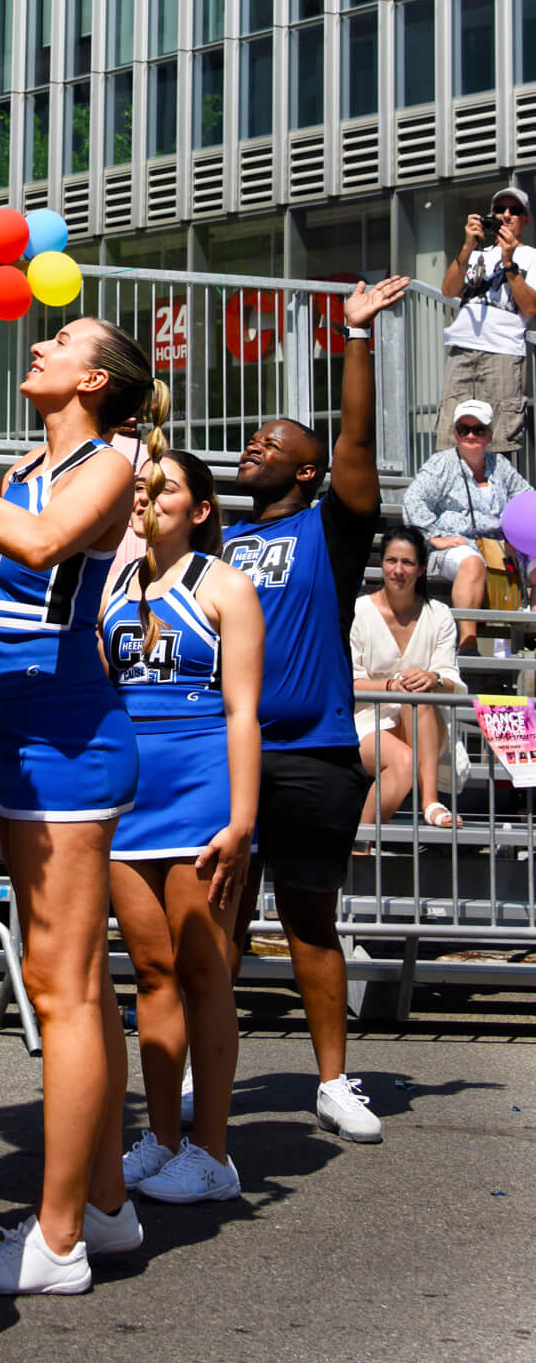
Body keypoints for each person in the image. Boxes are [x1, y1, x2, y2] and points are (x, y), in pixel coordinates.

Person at [0, 320, 159, 1298]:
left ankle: (56, 1238)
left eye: (59, 342)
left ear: (93, 379)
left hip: (72, 740)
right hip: (30, 734)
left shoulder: (112, 459)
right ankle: (103, 1206)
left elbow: (41, 540)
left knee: (59, 987)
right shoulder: (28, 458)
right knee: (78, 987)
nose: (38, 347)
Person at [221, 274, 409, 1149]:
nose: (252, 448)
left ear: (308, 469)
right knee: (216, 921)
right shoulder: (218, 545)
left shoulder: (331, 530)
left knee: (307, 920)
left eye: (271, 443)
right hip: (228, 756)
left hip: (312, 753)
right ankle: (198, 1073)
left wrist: (357, 337)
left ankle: (334, 1080)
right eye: (251, 440)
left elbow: (357, 441)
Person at [102, 451, 264, 1205]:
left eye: (164, 487)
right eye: (141, 486)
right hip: (130, 803)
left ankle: (214, 1152)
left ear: (200, 509)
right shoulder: (116, 587)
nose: (148, 497)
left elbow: (241, 712)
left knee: (204, 972)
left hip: (201, 800)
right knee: (152, 973)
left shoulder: (225, 586)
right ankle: (161, 1136)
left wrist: (241, 820)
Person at [351, 524, 466, 833]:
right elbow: (348, 683)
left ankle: (430, 802)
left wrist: (432, 678)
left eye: (408, 563)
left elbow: (452, 680)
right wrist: (392, 685)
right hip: (367, 722)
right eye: (391, 561)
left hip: (426, 727)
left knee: (421, 696)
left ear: (422, 568)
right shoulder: (359, 612)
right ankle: (360, 846)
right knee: (402, 761)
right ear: (381, 562)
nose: (398, 570)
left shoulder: (439, 614)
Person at [401, 402, 531, 650]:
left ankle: (530, 629)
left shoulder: (501, 466)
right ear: (455, 434)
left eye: (478, 430)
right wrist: (434, 535)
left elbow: (526, 498)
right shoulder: (442, 464)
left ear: (489, 436)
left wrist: (517, 535)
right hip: (457, 543)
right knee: (472, 562)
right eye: (464, 429)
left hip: (501, 544)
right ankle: (468, 641)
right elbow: (413, 498)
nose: (470, 435)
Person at [437, 184, 536, 455]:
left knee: (499, 440)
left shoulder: (531, 256)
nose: (505, 215)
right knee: (451, 436)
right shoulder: (477, 254)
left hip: (503, 352)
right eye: (498, 210)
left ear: (524, 219)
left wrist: (509, 262)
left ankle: (500, 497)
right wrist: (468, 244)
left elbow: (529, 308)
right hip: (462, 350)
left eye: (513, 211)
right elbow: (449, 290)